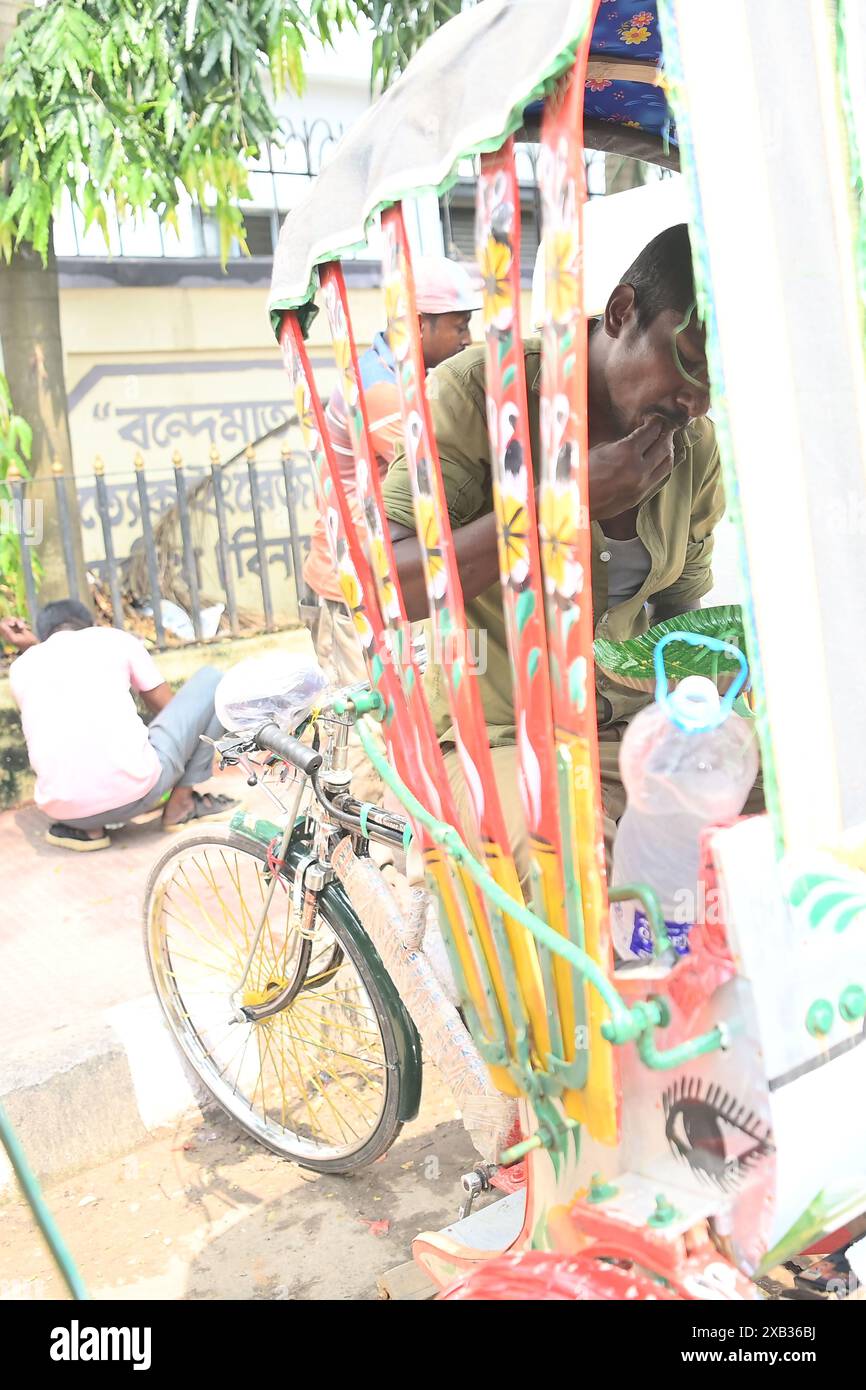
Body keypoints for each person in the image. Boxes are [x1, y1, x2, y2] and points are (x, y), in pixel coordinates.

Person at [382, 224, 762, 883]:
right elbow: (390, 584)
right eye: (690, 362)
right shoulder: (479, 398)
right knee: (570, 873)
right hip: (497, 736)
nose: (696, 400)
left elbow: (679, 614)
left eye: (715, 380)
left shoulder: (692, 446)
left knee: (792, 827)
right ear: (621, 313)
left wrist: (709, 719)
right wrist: (563, 500)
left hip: (632, 724)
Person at [303, 254, 482, 802]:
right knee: (370, 726)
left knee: (407, 711)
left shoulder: (407, 378)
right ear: (419, 324)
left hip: (388, 581)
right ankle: (368, 864)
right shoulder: (380, 390)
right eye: (459, 325)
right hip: (353, 586)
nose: (468, 337)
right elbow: (445, 469)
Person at [3, 601, 236, 851]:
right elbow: (168, 708)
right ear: (90, 624)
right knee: (212, 681)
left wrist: (31, 645)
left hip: (66, 811)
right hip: (136, 795)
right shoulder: (114, 639)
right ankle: (182, 806)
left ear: (43, 634)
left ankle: (87, 833)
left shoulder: (21, 668)